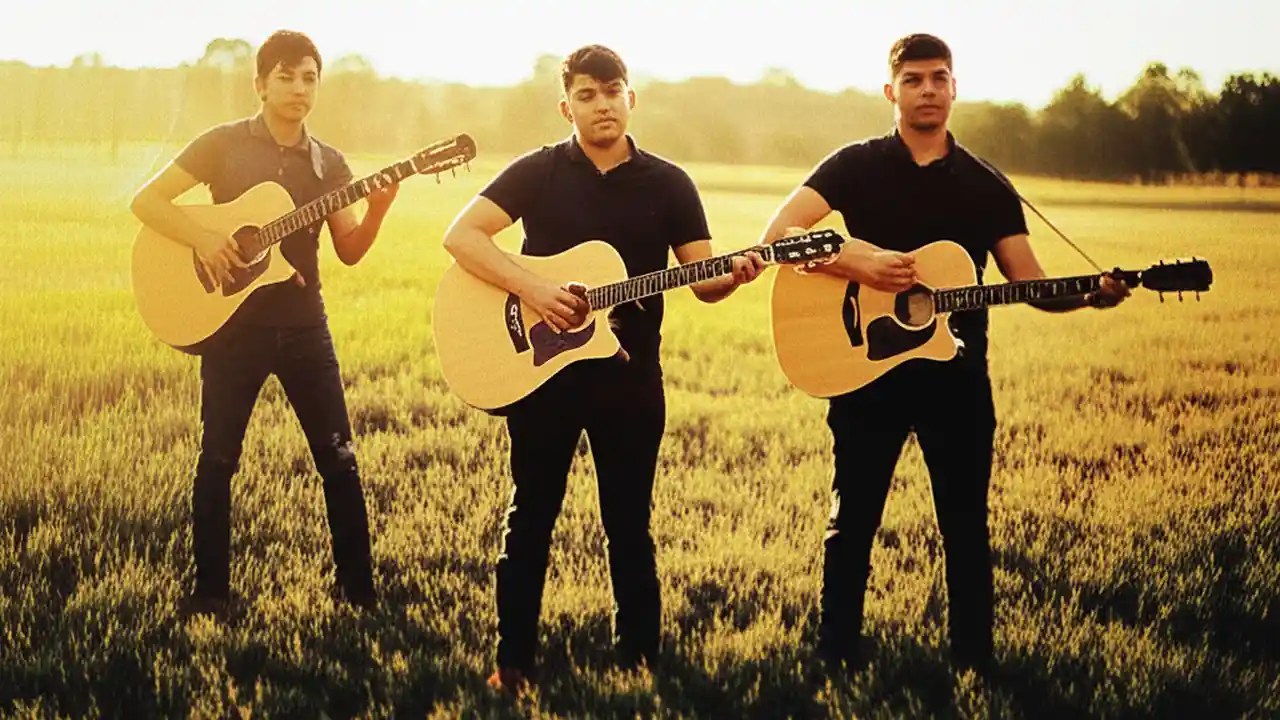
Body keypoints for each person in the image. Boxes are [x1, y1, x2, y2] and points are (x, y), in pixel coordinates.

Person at [759, 33, 1130, 674]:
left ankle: (973, 665)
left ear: (955, 88)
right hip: (864, 369)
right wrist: (860, 261)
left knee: (965, 526)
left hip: (956, 378)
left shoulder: (986, 185)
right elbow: (777, 237)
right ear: (891, 91)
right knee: (852, 521)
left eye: (938, 78)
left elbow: (1027, 282)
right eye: (913, 79)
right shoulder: (853, 165)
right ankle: (836, 655)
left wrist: (1088, 296)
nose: (927, 90)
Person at [442, 44, 765, 694]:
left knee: (629, 523)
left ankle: (639, 661)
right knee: (531, 514)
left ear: (631, 98)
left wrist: (735, 273)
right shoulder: (538, 171)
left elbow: (702, 280)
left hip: (631, 378)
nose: (601, 104)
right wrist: (534, 291)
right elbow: (463, 236)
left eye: (612, 91)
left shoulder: (669, 183)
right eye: (586, 95)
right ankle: (514, 663)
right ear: (567, 106)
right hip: (543, 374)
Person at [130, 29, 400, 617]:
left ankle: (359, 595)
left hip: (306, 329)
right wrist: (205, 239)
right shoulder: (223, 145)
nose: (300, 88)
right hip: (233, 329)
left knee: (340, 459)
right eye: (286, 76)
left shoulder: (330, 164)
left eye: (310, 77)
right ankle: (211, 595)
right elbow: (146, 202)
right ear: (260, 84)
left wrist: (377, 207)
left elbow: (349, 249)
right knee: (219, 458)